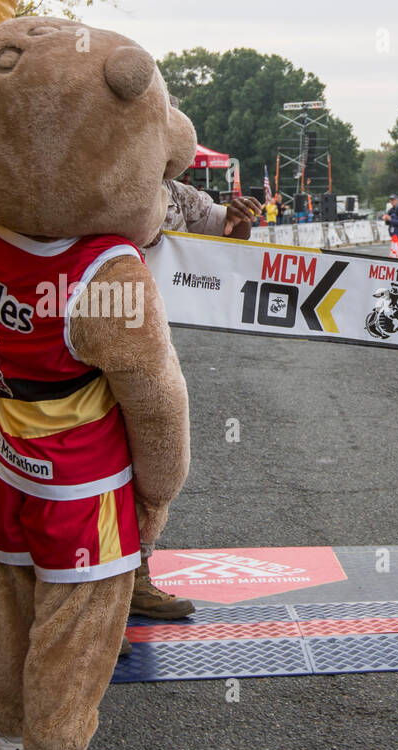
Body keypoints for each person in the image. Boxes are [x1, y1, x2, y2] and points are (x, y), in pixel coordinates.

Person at [129, 181, 261, 630]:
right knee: (89, 466)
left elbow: (223, 240)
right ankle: (87, 600)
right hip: (79, 339)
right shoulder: (94, 168)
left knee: (155, 463)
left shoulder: (174, 192)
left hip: (151, 346)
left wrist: (240, 223)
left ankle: (135, 576)